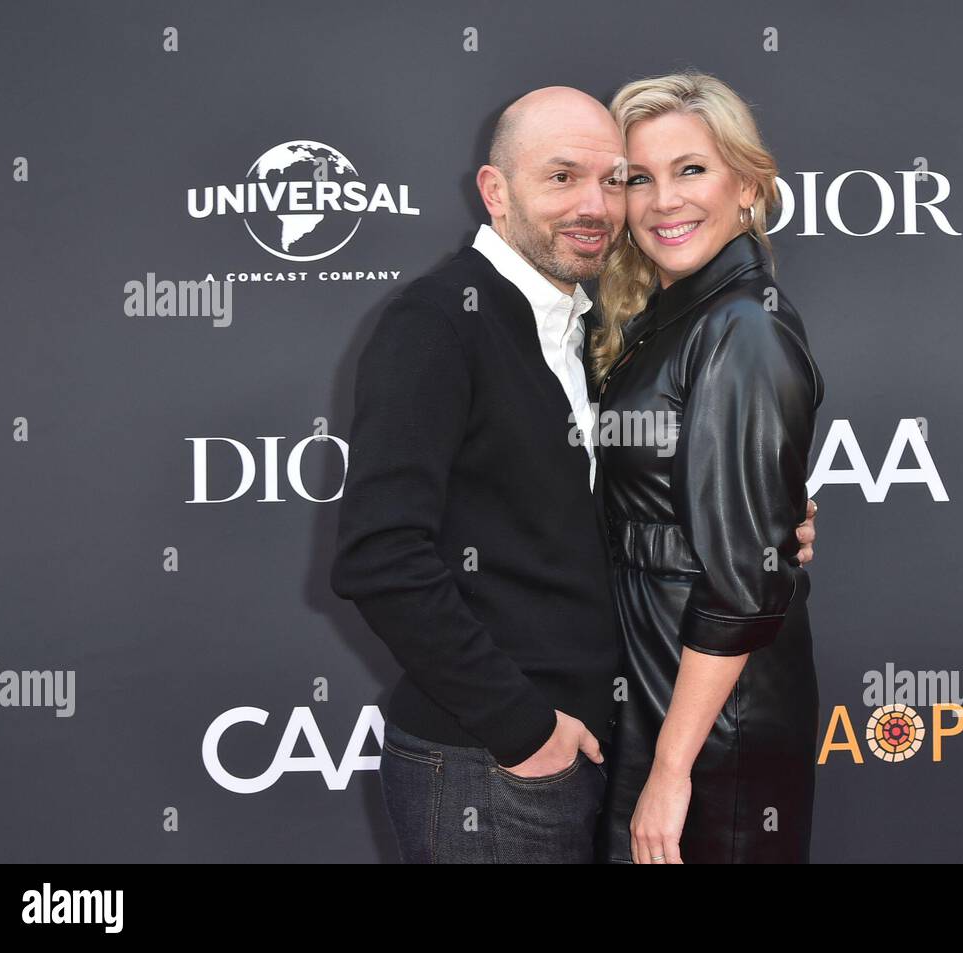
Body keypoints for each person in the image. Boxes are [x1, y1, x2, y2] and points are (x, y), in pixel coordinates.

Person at [328, 85, 818, 863]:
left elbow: (611, 506)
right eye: (562, 178)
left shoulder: (590, 329)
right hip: (489, 764)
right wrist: (523, 731)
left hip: (588, 752)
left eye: (610, 179)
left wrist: (759, 520)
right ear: (495, 192)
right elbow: (379, 556)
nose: (598, 205)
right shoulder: (438, 322)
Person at [590, 71, 825, 864]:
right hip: (657, 684)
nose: (663, 202)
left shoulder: (741, 328)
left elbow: (740, 583)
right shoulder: (665, 318)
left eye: (690, 169)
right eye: (637, 179)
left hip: (710, 720)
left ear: (749, 186)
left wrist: (671, 767)